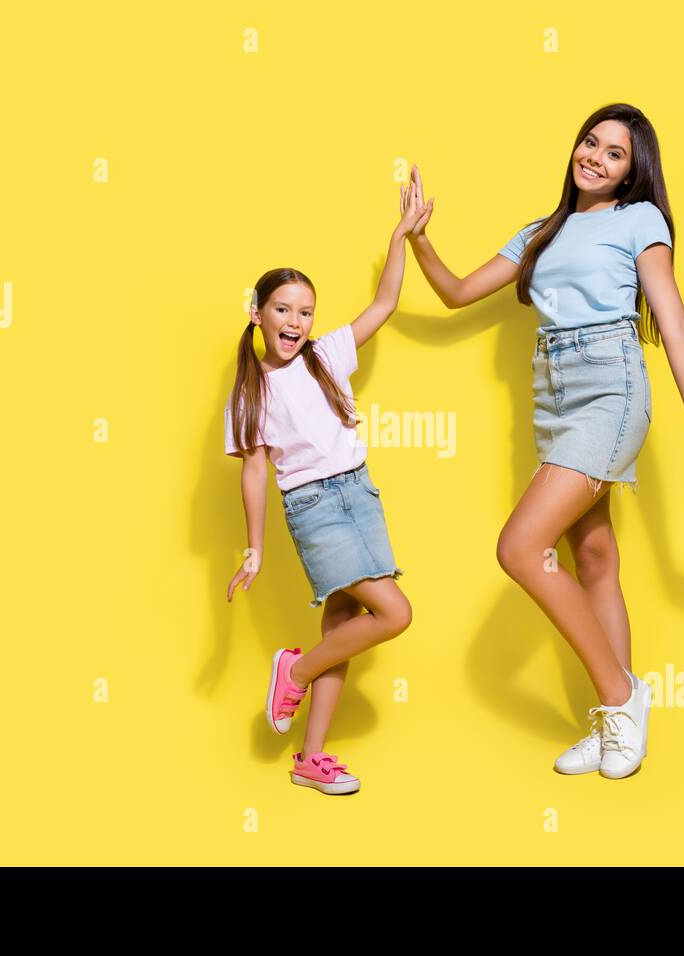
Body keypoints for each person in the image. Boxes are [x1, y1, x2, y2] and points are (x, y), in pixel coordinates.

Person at [403, 103, 684, 779]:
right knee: (596, 557)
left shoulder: (640, 221)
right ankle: (615, 729)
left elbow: (673, 318)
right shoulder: (541, 232)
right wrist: (418, 239)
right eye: (590, 142)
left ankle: (622, 696)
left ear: (632, 175)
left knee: (520, 547)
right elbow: (459, 293)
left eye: (615, 154)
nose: (596, 158)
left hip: (611, 386)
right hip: (552, 392)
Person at [223, 181, 427, 794]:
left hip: (360, 495)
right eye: (283, 309)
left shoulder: (325, 356)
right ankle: (295, 670)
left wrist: (401, 238)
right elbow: (255, 468)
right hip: (313, 508)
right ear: (257, 314)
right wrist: (254, 548)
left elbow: (384, 303)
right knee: (395, 613)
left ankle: (310, 759)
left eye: (305, 311)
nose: (296, 321)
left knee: (343, 627)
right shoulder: (250, 391)